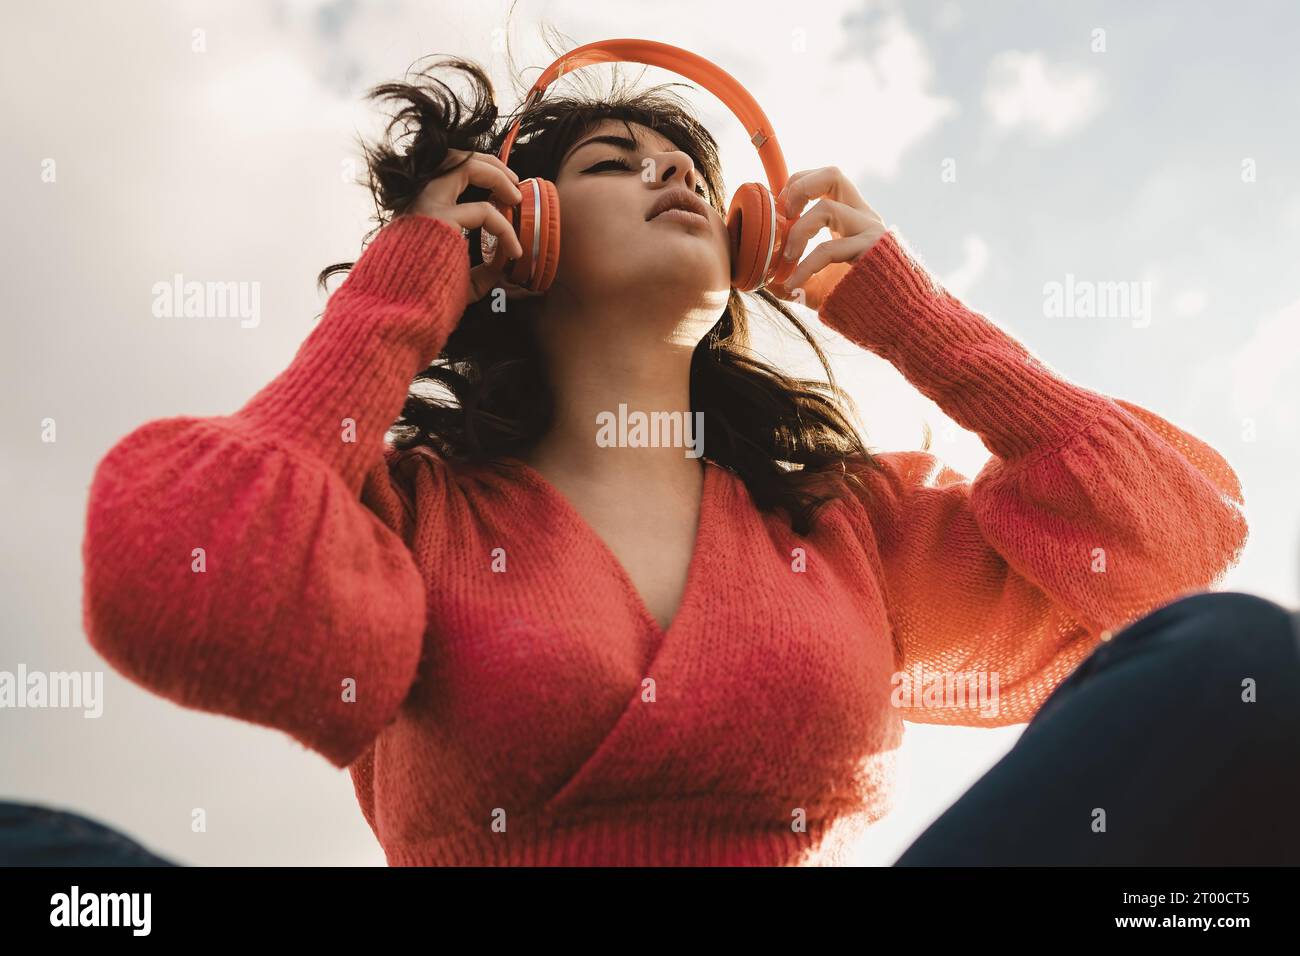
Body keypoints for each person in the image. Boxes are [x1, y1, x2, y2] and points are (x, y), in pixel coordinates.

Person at [79, 50, 1263, 867]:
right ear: (519, 236)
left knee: (1238, 657)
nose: (673, 172)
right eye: (611, 159)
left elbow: (1178, 545)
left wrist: (918, 321)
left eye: (686, 162)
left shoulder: (838, 519)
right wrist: (410, 280)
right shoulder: (415, 514)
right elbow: (168, 567)